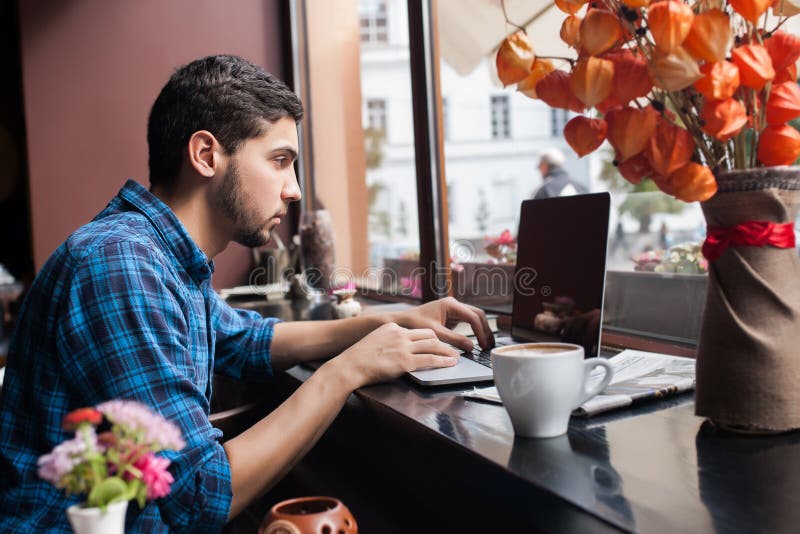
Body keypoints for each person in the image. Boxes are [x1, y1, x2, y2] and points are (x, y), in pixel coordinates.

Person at [0, 55, 494, 532]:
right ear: (206, 155)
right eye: (280, 160)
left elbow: (243, 339)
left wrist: (385, 324)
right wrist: (349, 371)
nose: (294, 189)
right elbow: (196, 497)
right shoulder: (121, 263)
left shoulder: (160, 254)